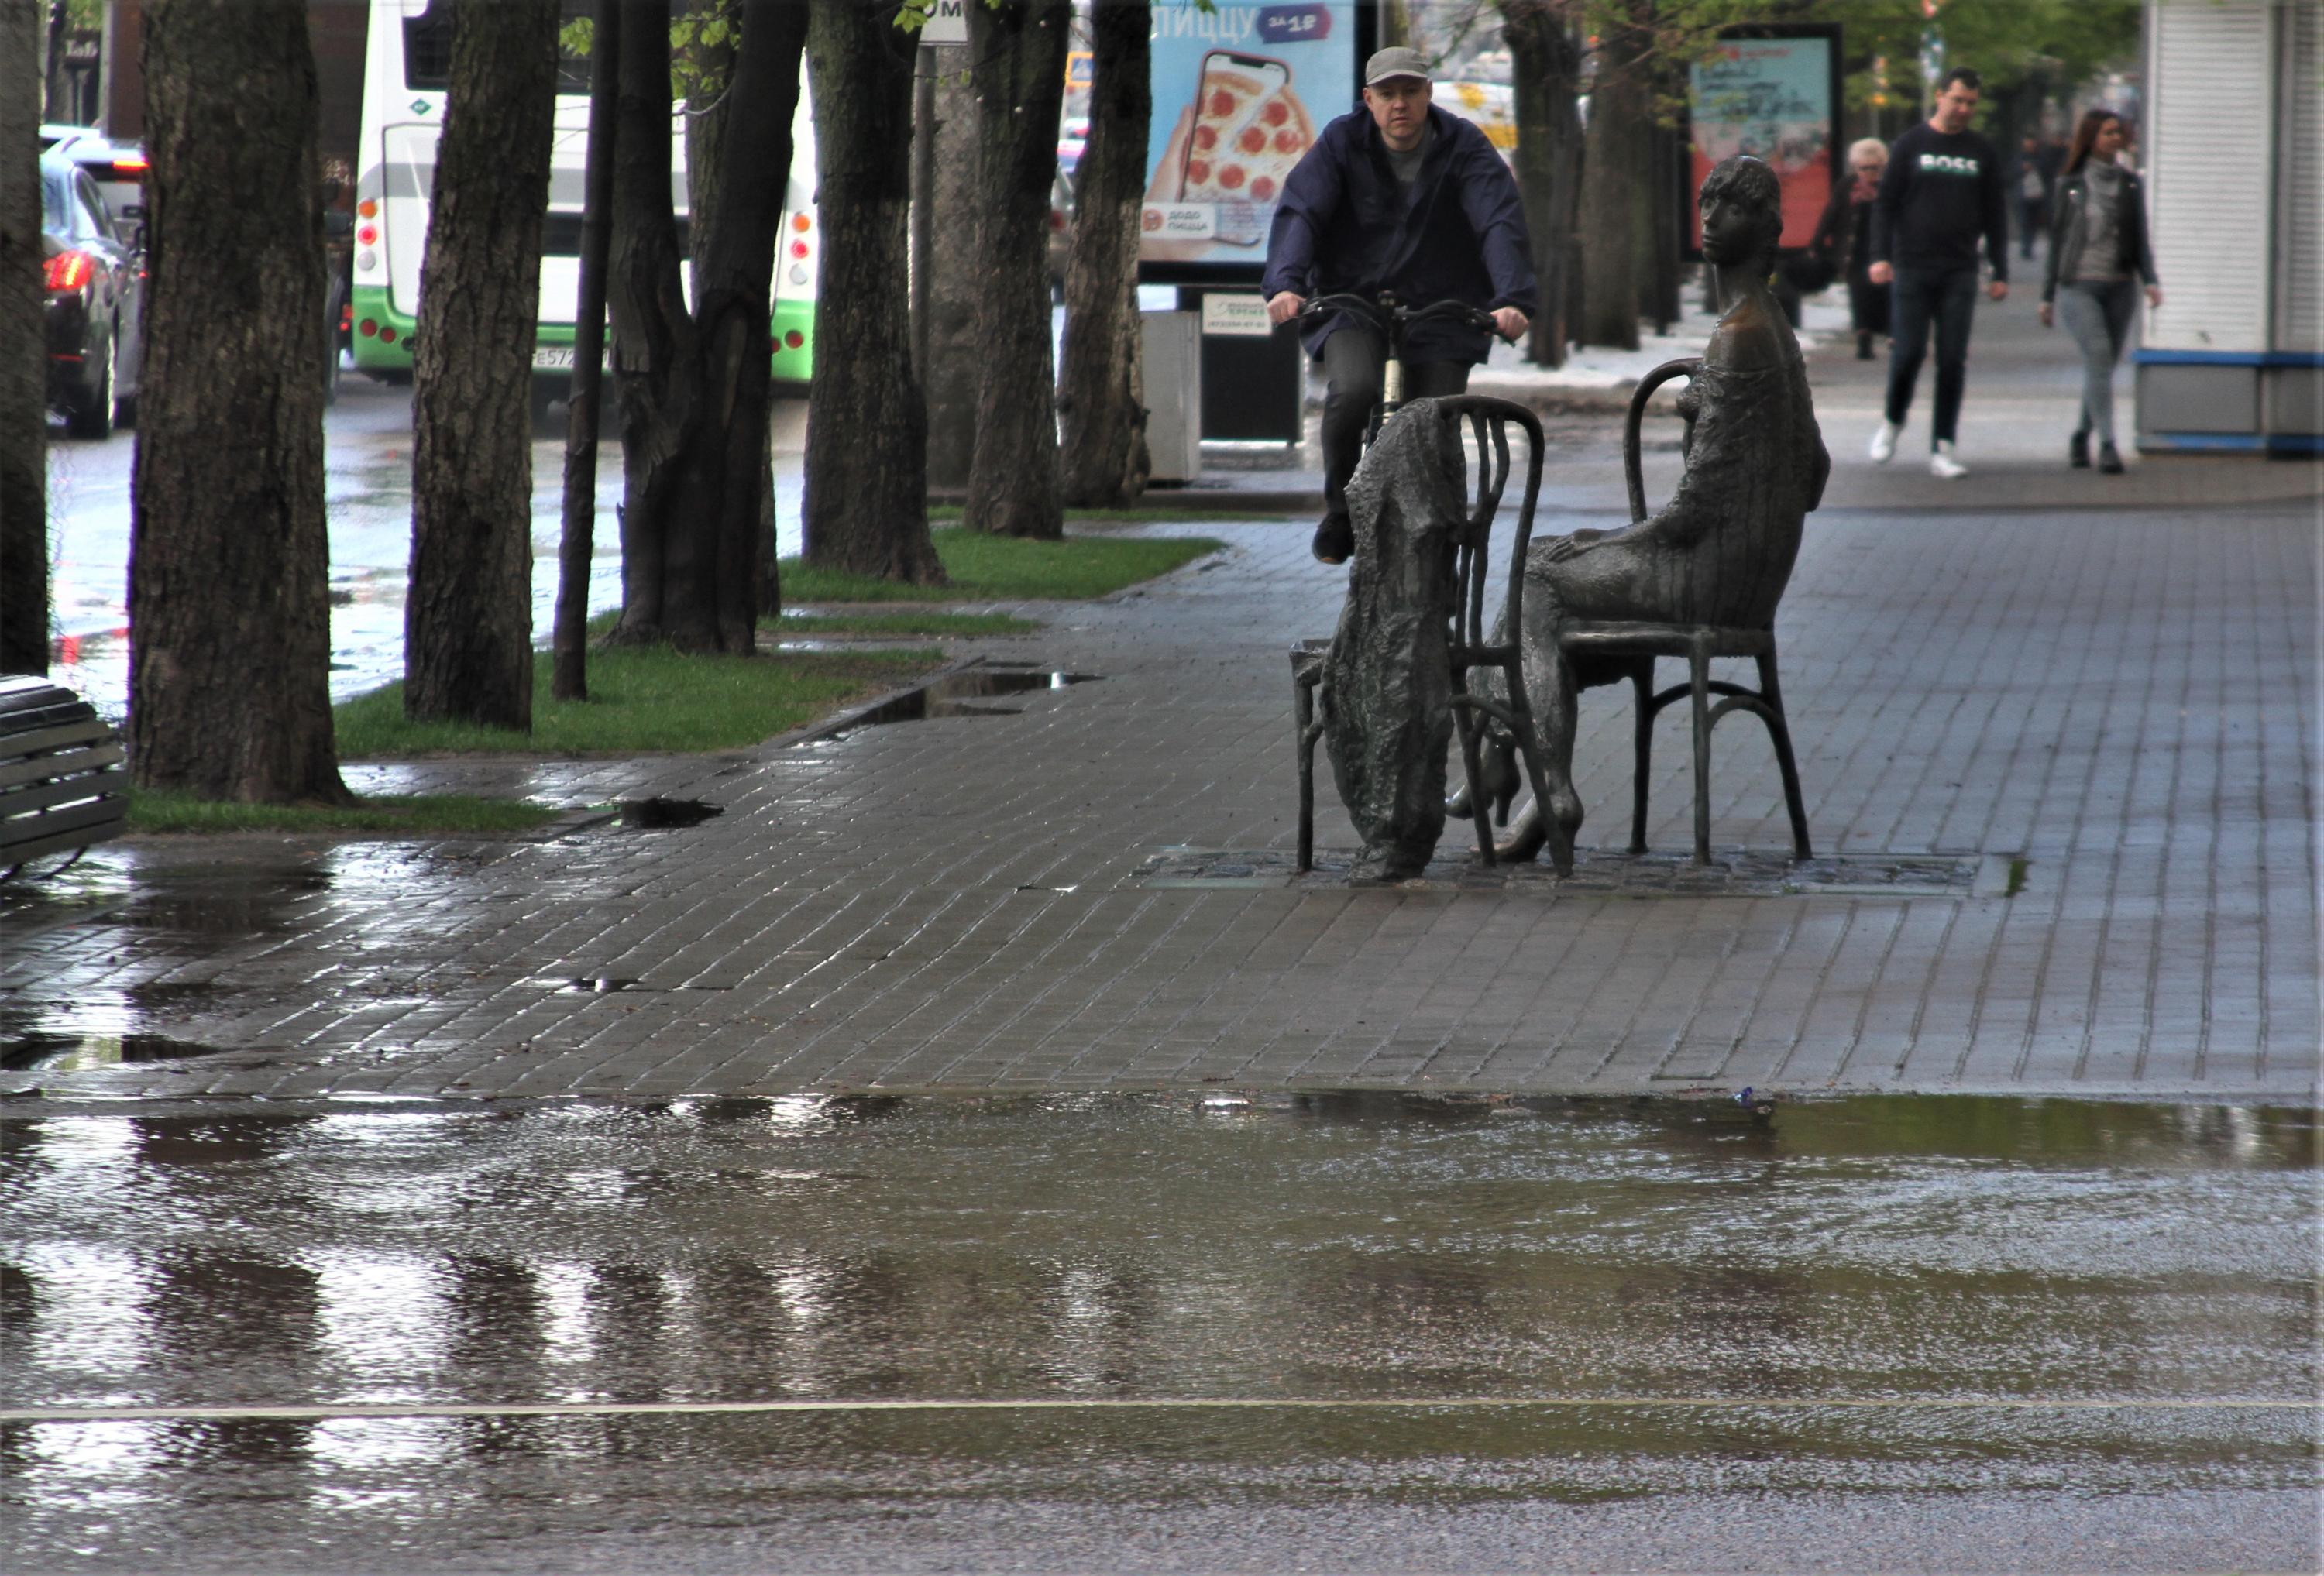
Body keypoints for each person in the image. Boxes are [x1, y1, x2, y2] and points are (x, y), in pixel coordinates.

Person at [1483, 156, 1827, 868]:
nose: (1708, 218)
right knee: (1551, 566)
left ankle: (1540, 784)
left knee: (1537, 579)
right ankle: (1501, 760)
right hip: (1752, 575)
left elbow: (1691, 512)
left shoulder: (1738, 339)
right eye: (1705, 203)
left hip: (1709, 574)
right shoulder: (1775, 326)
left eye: (1727, 207)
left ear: (1763, 228)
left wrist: (1608, 539)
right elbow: (1814, 472)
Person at [1263, 46, 1536, 565]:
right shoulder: (1342, 143)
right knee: (1354, 390)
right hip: (1353, 301)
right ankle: (1340, 512)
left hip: (1443, 306)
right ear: (1369, 100)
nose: (1400, 105)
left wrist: (1512, 297)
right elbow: (1302, 211)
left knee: (1435, 421)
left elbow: (1498, 219)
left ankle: (1442, 550)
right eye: (1387, 94)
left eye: (1410, 91)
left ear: (1428, 94)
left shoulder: (1465, 147)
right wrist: (1286, 283)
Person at [1867, 66, 2010, 479]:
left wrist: (1999, 268)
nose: (1963, 109)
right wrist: (1880, 256)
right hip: (1912, 266)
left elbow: (1995, 215)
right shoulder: (1912, 144)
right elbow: (1886, 204)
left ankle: (1943, 446)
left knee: (1952, 359)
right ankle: (1893, 421)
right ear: (1939, 96)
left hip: (1960, 270)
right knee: (1909, 352)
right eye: (1957, 100)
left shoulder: (1980, 151)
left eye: (1971, 104)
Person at [2040, 108, 2162, 474]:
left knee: (2102, 367)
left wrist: (2151, 279)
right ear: (2091, 137)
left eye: (2119, 132)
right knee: (2097, 356)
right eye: (2108, 132)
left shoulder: (2129, 184)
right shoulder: (2070, 185)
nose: (2115, 138)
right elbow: (2058, 242)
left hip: (2120, 286)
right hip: (2079, 286)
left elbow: (2140, 237)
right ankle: (2108, 444)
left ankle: (2081, 434)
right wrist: (2047, 296)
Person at [1811, 137, 1892, 360]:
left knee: (1886, 293)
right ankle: (1864, 340)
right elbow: (1831, 214)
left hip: (1886, 251)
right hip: (1853, 252)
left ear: (1882, 165)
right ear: (1855, 167)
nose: (1869, 172)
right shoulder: (1847, 185)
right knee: (1860, 295)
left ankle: (1893, 335)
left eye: (1874, 168)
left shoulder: (1892, 186)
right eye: (1863, 168)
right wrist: (1817, 242)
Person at [2012, 132, 2050, 260]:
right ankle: (2025, 247)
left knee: (2033, 223)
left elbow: (2047, 173)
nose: (2030, 145)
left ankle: (2029, 246)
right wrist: (2022, 169)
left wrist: (2035, 166)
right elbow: (2011, 174)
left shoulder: (2041, 157)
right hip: (2023, 196)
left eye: (2032, 142)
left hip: (2037, 195)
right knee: (2024, 222)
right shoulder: (2019, 158)